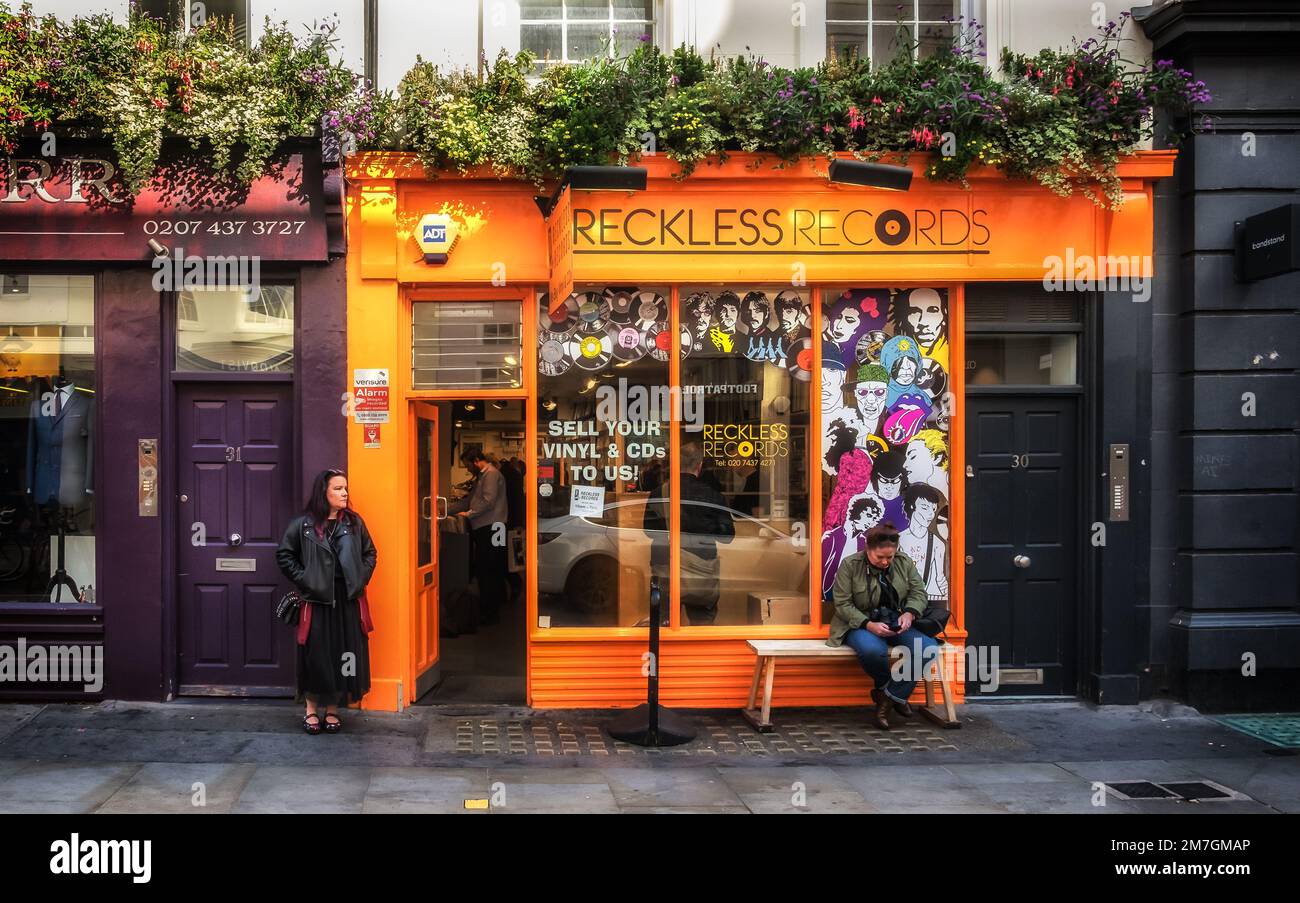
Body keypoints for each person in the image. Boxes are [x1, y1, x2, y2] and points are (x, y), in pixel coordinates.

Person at [276, 468, 377, 735]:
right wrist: (307, 579)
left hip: (346, 600)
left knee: (342, 653)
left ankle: (332, 711)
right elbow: (285, 555)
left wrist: (359, 578)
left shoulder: (354, 523)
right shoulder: (303, 524)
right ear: (324, 492)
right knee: (316, 656)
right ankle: (311, 711)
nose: (344, 493)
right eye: (338, 488)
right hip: (316, 601)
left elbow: (370, 553)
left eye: (345, 488)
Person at [827, 523, 937, 731]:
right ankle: (897, 694)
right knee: (872, 651)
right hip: (859, 623)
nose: (886, 562)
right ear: (867, 549)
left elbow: (918, 593)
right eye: (880, 557)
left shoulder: (904, 563)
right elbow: (842, 604)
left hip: (897, 621)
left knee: (927, 648)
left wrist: (910, 612)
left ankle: (886, 699)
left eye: (890, 557)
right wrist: (868, 624)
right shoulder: (850, 565)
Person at [646, 440, 734, 625]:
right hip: (702, 568)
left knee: (664, 625)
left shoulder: (658, 493)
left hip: (665, 566)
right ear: (699, 465)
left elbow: (649, 531)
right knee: (702, 626)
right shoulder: (713, 496)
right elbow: (727, 537)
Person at [449, 449, 508, 625]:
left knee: (489, 569)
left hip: (492, 527)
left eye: (467, 465)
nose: (467, 469)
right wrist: (444, 510)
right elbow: (470, 500)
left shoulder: (490, 475)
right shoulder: (483, 476)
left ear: (475, 461)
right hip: (489, 526)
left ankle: (491, 612)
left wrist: (469, 514)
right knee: (489, 568)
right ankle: (490, 609)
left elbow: (488, 501)